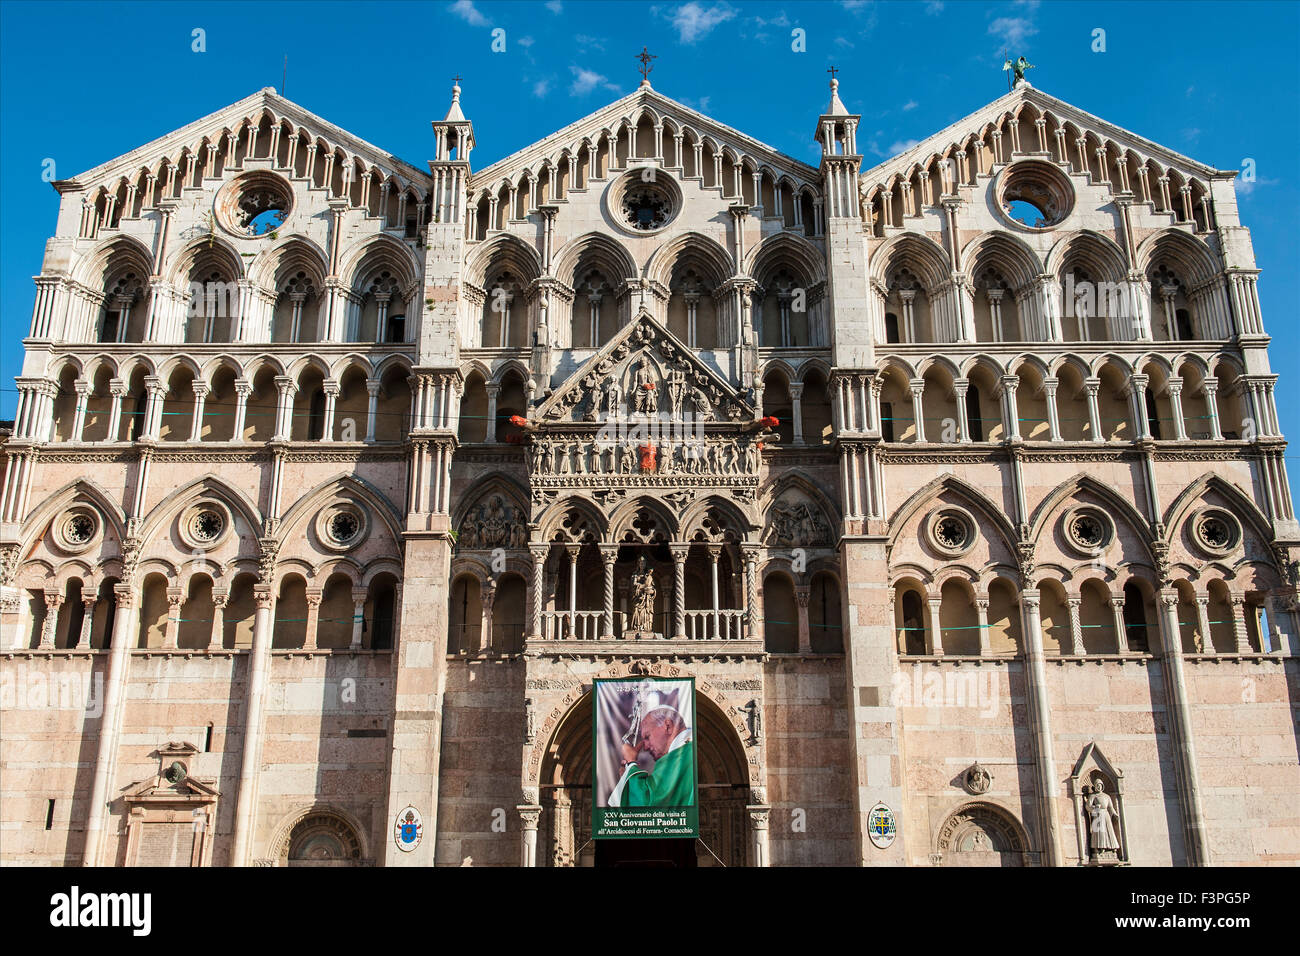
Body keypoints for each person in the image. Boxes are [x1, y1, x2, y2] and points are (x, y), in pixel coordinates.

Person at [608, 706, 694, 808]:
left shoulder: (680, 755)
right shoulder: (687, 750)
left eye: (647, 737)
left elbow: (648, 804)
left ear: (668, 726)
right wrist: (628, 775)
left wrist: (631, 762)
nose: (645, 747)